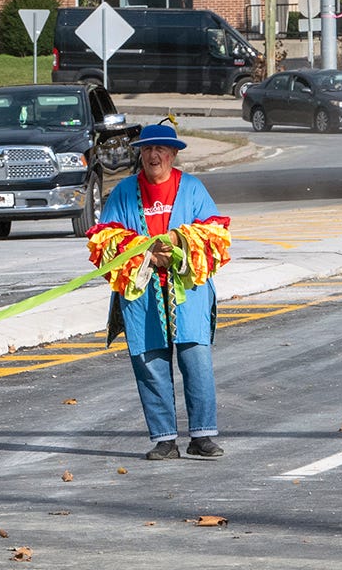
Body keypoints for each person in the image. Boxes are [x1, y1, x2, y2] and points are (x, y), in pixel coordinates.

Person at [86, 123, 232, 461]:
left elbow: (215, 233)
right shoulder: (123, 193)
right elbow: (104, 237)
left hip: (189, 292)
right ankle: (165, 439)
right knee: (150, 363)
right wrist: (146, 253)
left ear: (173, 154)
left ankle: (202, 436)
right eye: (148, 149)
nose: (154, 155)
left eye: (161, 149)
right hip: (142, 295)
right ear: (140, 153)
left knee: (196, 361)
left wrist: (180, 244)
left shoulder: (193, 189)